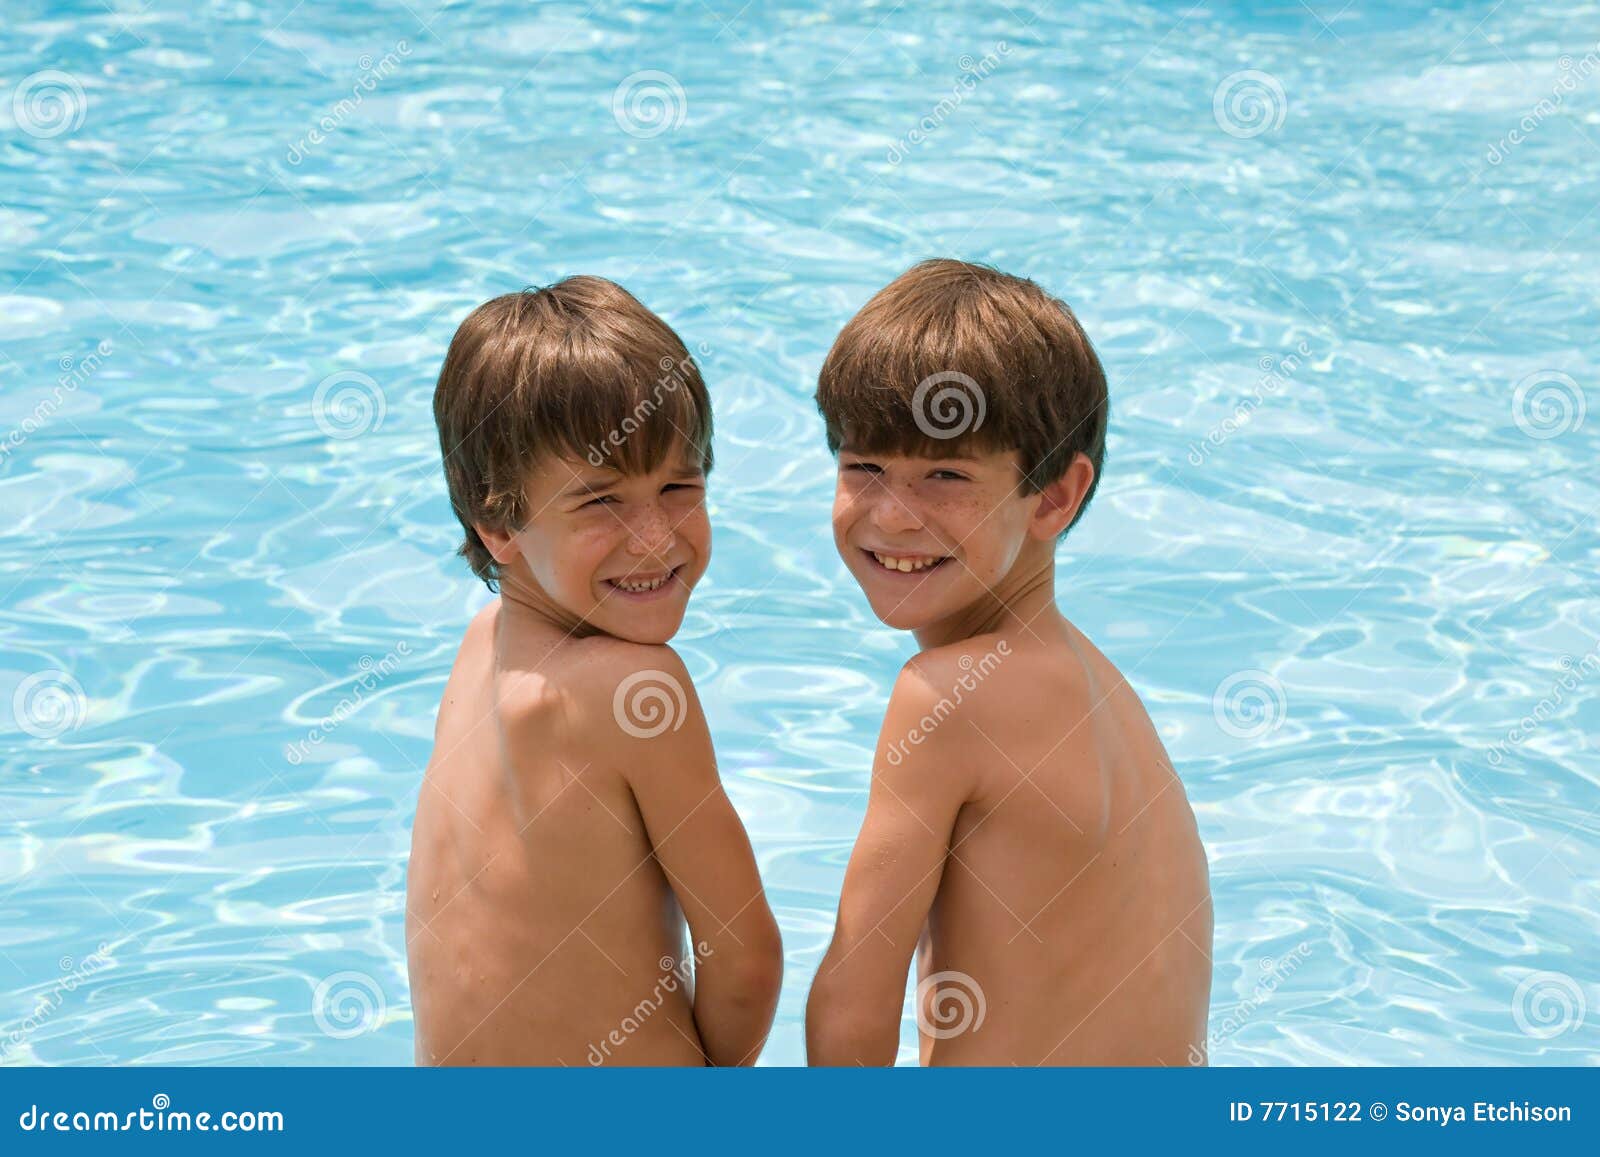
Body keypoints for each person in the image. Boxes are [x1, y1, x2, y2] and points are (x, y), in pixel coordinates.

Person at [805, 259, 1211, 1065]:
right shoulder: (1104, 690)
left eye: (945, 476)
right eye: (864, 469)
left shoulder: (948, 697)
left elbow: (852, 1020)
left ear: (1055, 496)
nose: (892, 514)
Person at [408, 277, 782, 1066]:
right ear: (498, 522)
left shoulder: (481, 647)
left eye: (680, 486)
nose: (654, 537)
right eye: (602, 501)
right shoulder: (634, 692)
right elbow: (745, 959)